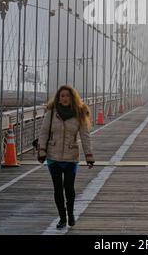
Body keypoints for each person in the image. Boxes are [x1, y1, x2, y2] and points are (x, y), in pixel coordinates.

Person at [37, 85, 95, 229]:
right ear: (58, 97)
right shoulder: (51, 113)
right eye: (62, 96)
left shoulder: (79, 113)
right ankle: (62, 218)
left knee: (69, 188)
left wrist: (89, 155)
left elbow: (85, 135)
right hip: (53, 157)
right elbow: (44, 133)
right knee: (57, 189)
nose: (64, 98)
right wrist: (42, 151)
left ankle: (71, 214)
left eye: (67, 96)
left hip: (71, 156)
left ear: (72, 97)